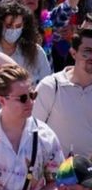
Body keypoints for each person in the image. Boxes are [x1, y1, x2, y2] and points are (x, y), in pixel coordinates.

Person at [0, 0, 52, 119]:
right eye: (8, 26)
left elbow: (47, 88)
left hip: (25, 123)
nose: (13, 30)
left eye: (18, 26)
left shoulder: (36, 52)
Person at [33, 28, 92, 158]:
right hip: (55, 173)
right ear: (73, 53)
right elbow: (32, 131)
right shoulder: (50, 86)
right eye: (87, 52)